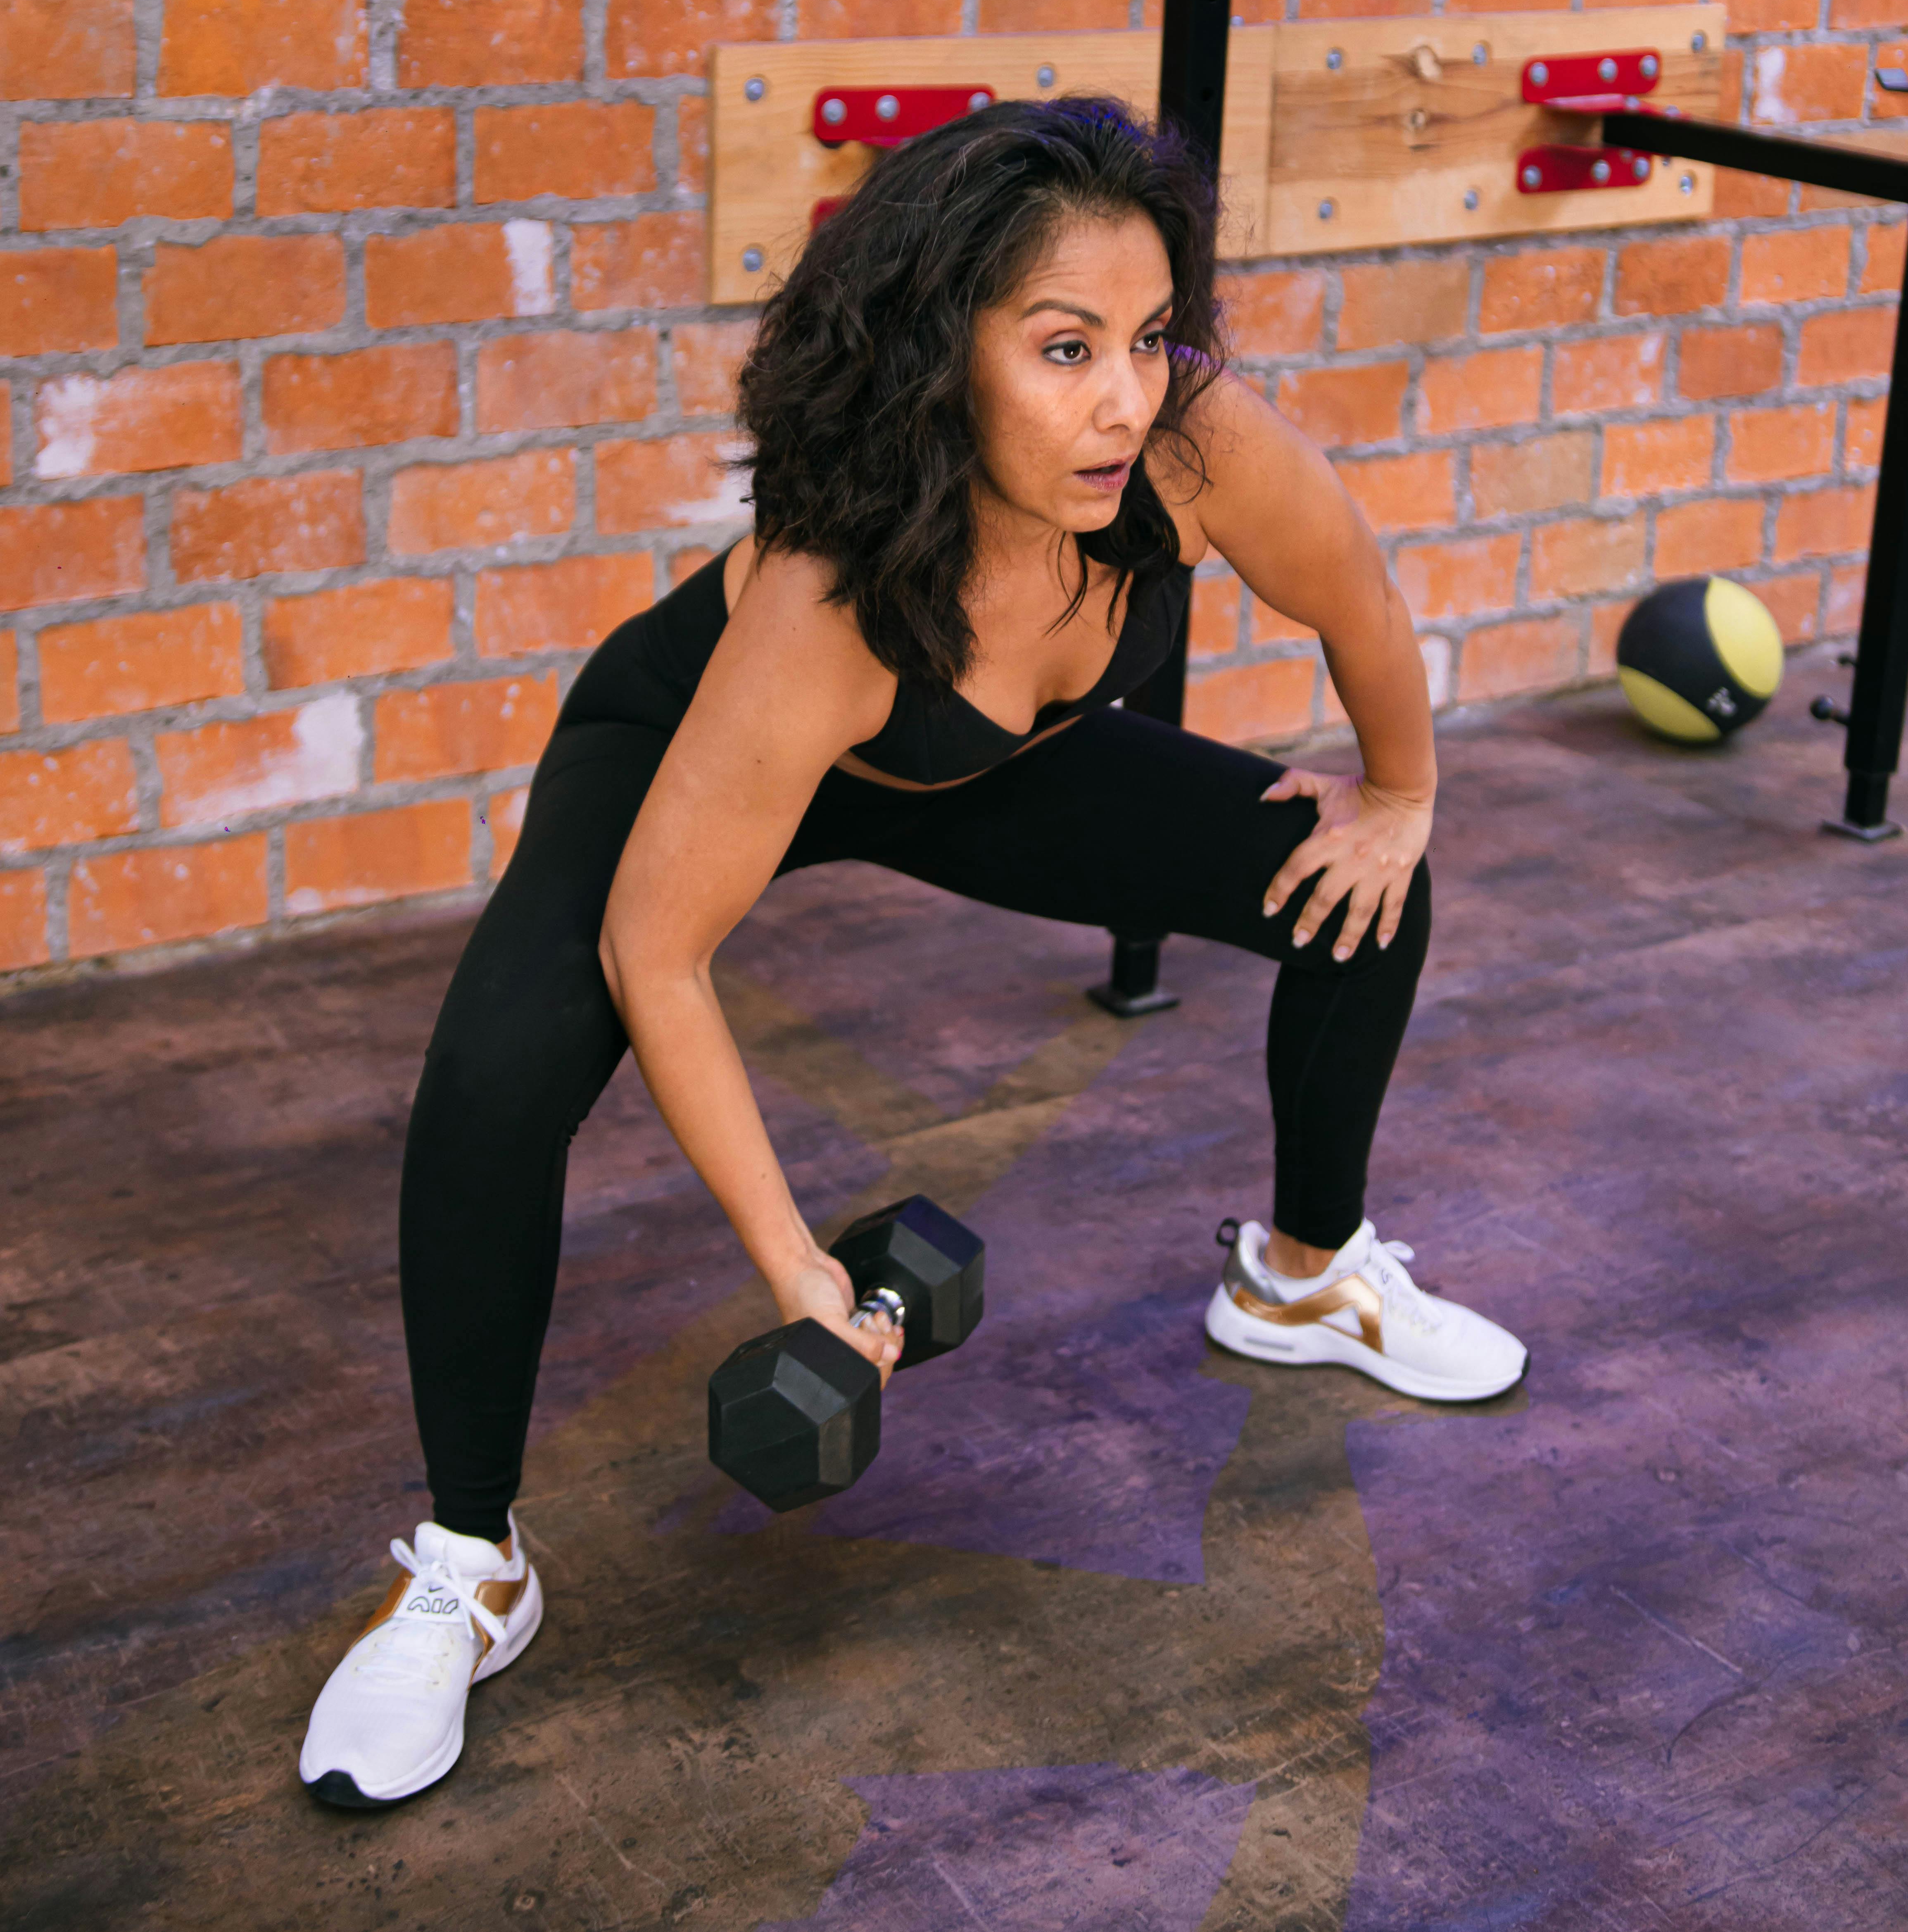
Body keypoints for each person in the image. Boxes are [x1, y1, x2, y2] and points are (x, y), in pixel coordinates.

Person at [299, 97, 1526, 1809]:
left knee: (1351, 881)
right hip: (693, 745)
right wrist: (798, 1265)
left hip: (976, 766)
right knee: (494, 1087)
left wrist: (1398, 790)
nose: (1120, 394)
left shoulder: (1187, 445)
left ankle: (1305, 1276)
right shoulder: (825, 599)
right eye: (1060, 347)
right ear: (940, 351)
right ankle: (469, 1565)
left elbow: (1355, 597)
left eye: (1149, 337)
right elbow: (663, 956)